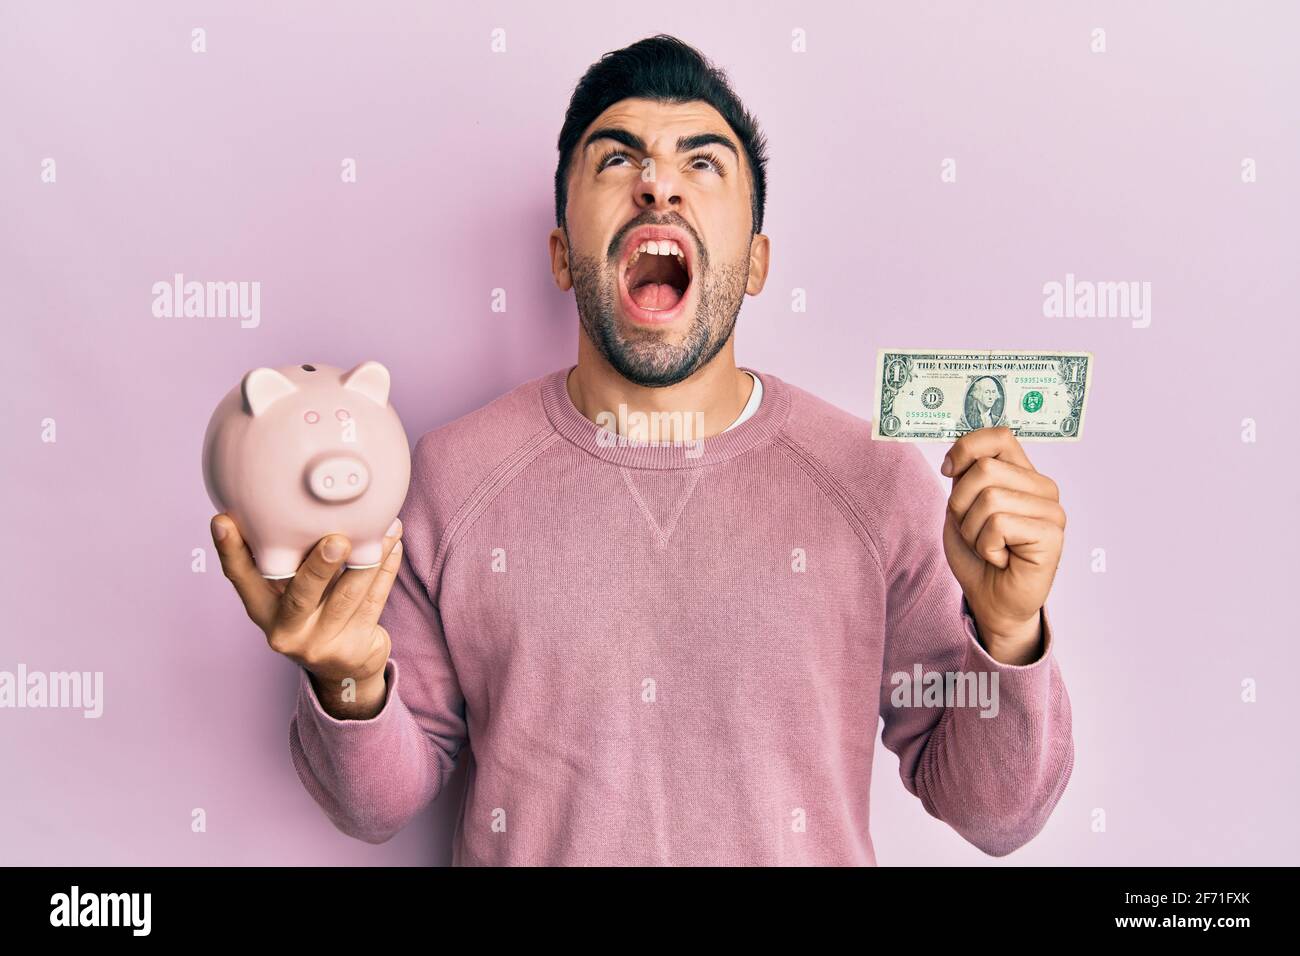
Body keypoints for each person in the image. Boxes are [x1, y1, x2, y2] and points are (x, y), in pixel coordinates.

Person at [211, 35, 1073, 865]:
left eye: (703, 163)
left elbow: (995, 815)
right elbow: (376, 808)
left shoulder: (876, 483)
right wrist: (348, 681)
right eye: (618, 159)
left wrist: (1008, 630)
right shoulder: (448, 479)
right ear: (560, 254)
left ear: (758, 260)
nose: (659, 186)